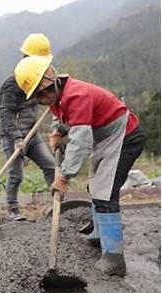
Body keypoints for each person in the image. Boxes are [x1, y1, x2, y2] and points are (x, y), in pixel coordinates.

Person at [14, 55, 145, 276]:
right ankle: (98, 234)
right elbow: (65, 119)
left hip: (125, 137)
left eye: (44, 90)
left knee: (105, 194)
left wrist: (64, 176)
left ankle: (114, 259)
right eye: (38, 96)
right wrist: (58, 131)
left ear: (52, 77)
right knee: (94, 187)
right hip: (106, 138)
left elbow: (81, 142)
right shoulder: (58, 97)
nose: (44, 98)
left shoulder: (77, 95)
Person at [0, 33, 55, 221]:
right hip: (13, 136)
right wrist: (16, 138)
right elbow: (6, 113)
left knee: (51, 166)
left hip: (33, 134)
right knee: (16, 175)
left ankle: (57, 204)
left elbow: (49, 100)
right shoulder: (11, 84)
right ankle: (12, 211)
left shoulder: (41, 78)